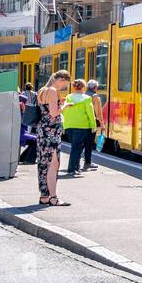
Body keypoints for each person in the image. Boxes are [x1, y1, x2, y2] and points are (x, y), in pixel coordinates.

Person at [37, 71, 68, 205]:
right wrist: (65, 106)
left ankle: (44, 196)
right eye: (64, 84)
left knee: (43, 164)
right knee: (53, 165)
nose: (63, 87)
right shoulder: (53, 91)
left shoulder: (42, 90)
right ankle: (54, 198)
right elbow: (54, 113)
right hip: (51, 132)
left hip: (42, 130)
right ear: (60, 79)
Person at [62, 79, 99, 176]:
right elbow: (90, 113)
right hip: (82, 126)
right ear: (83, 87)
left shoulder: (68, 97)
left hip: (69, 125)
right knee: (76, 147)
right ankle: (71, 169)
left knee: (75, 146)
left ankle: (76, 168)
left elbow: (64, 111)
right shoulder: (87, 98)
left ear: (74, 87)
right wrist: (93, 125)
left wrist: (63, 125)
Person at [84, 80, 104, 171]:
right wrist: (102, 124)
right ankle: (87, 163)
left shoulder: (84, 95)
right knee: (89, 143)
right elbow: (98, 112)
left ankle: (75, 163)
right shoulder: (95, 97)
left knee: (80, 144)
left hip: (82, 122)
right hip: (92, 123)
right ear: (95, 88)